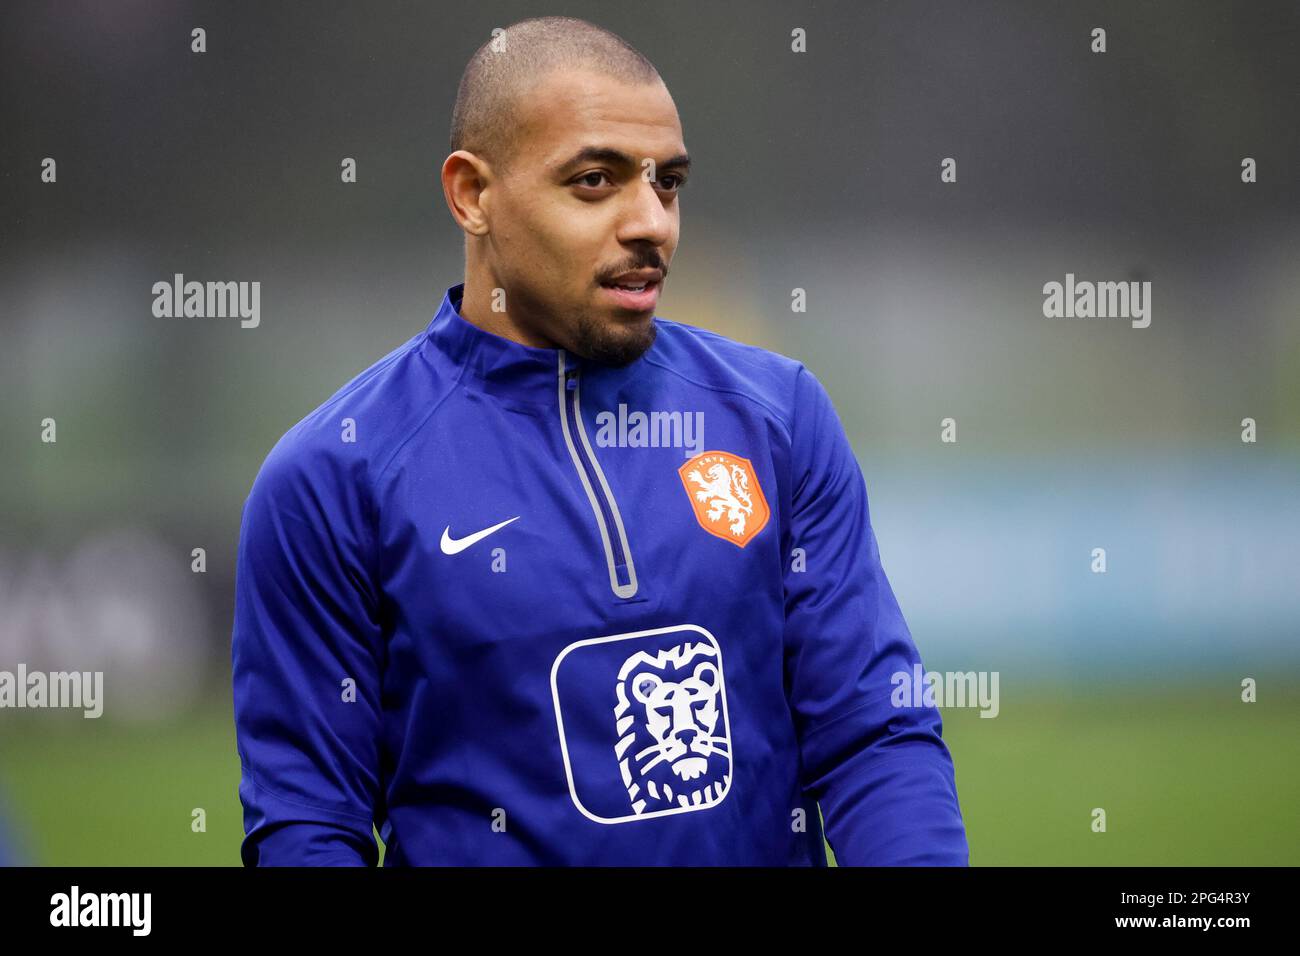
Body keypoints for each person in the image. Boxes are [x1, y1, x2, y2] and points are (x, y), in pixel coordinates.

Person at [231, 15, 969, 866]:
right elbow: (308, 827)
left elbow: (875, 731)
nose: (652, 222)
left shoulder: (778, 418)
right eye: (594, 181)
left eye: (669, 184)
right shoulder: (333, 477)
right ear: (472, 195)